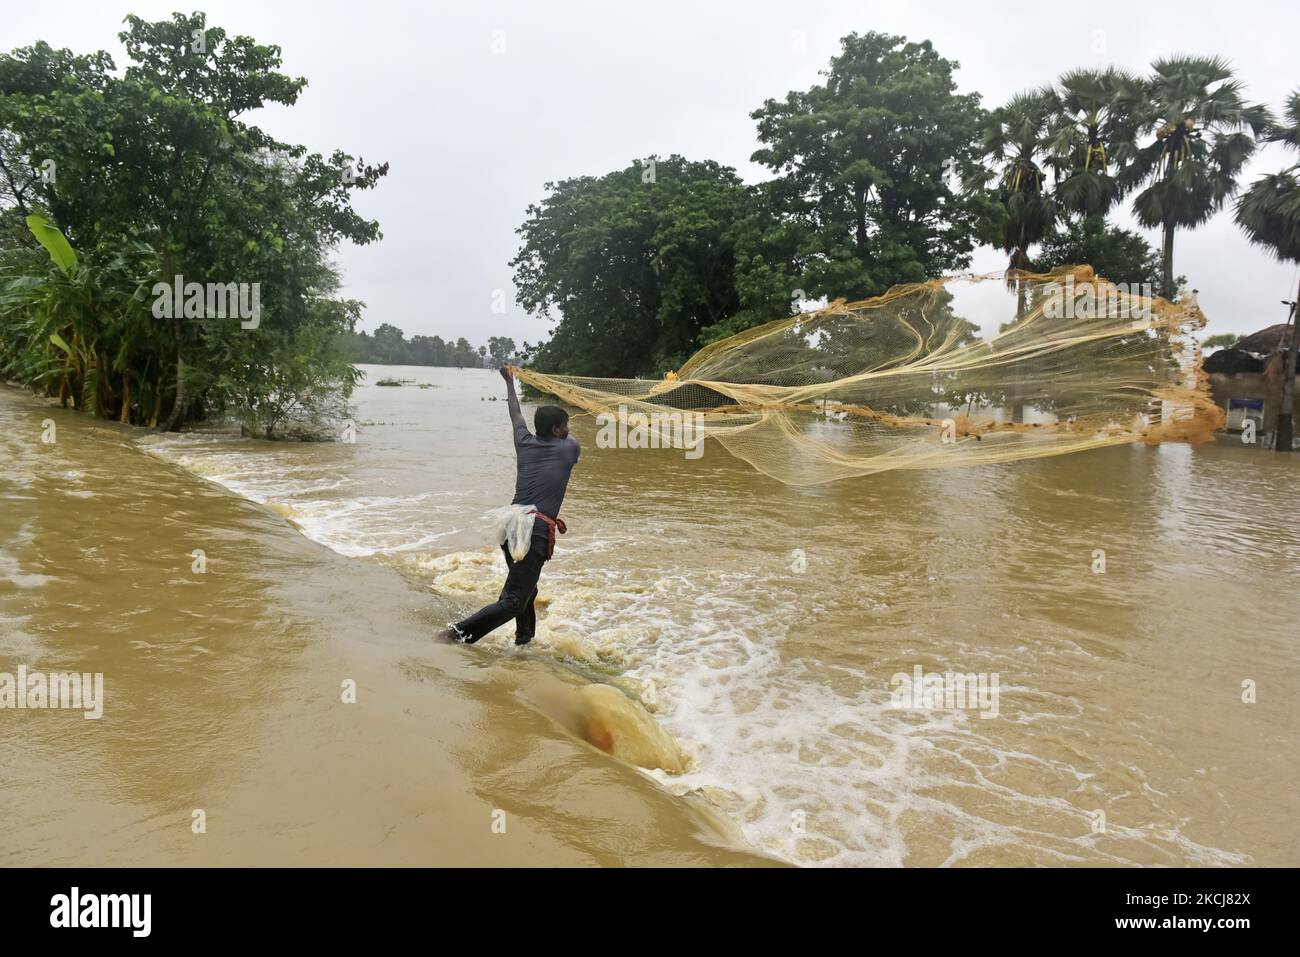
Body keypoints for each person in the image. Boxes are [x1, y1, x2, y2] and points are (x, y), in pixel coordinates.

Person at [436, 366, 580, 645]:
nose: (569, 429)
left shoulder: (524, 441)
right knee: (515, 600)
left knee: (526, 590)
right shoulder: (569, 448)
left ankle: (523, 642)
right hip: (533, 529)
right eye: (565, 425)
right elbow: (567, 439)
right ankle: (453, 635)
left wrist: (510, 383)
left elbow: (515, 413)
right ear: (556, 430)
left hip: (511, 523)